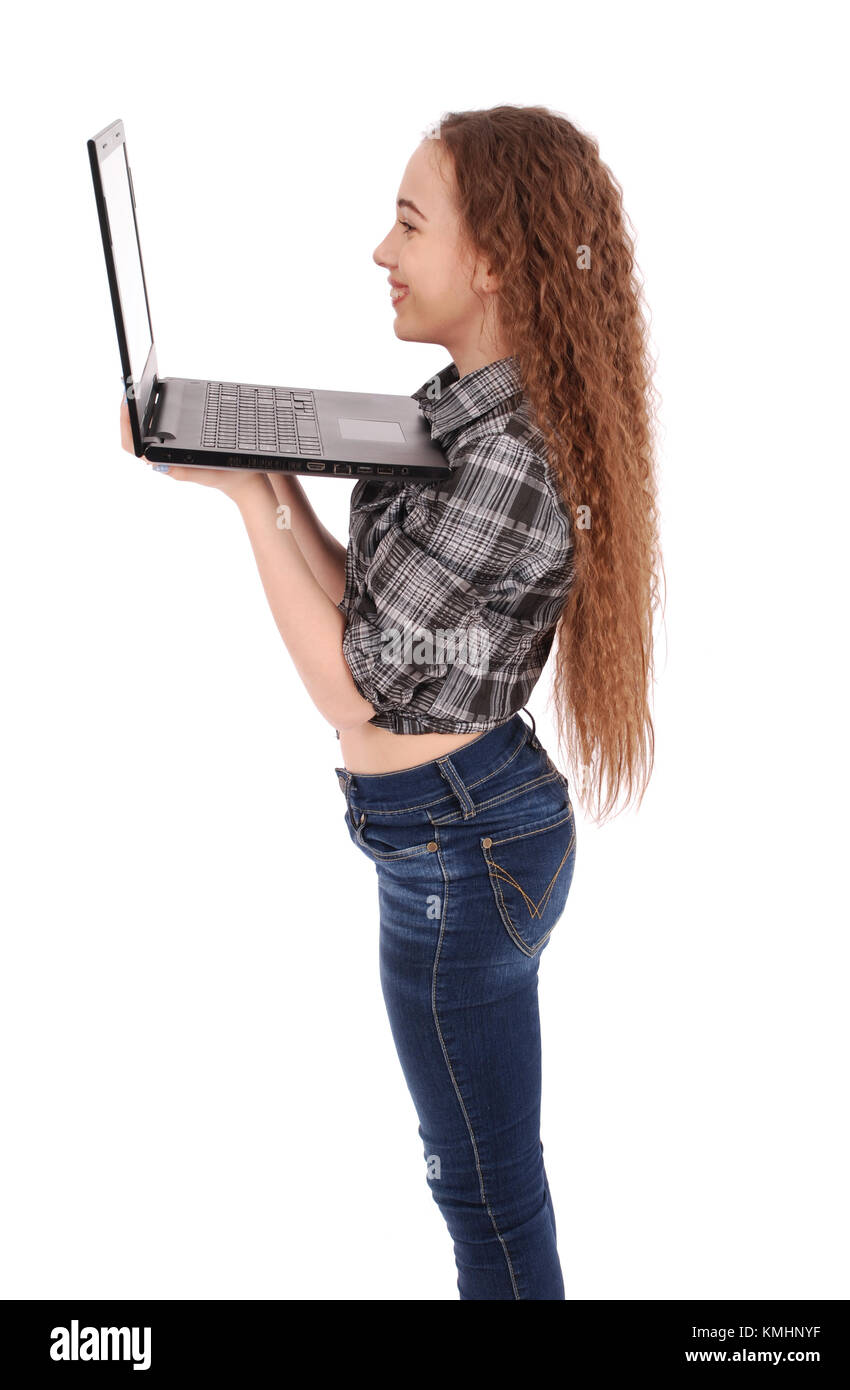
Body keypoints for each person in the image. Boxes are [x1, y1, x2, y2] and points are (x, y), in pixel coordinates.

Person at [121, 105, 662, 1300]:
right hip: (454, 833)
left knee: (485, 1195)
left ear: (495, 261)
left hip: (463, 850)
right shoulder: (461, 411)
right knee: (482, 1178)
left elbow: (350, 681)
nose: (381, 251)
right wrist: (250, 470)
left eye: (408, 224)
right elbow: (374, 624)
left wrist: (252, 496)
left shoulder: (513, 459)